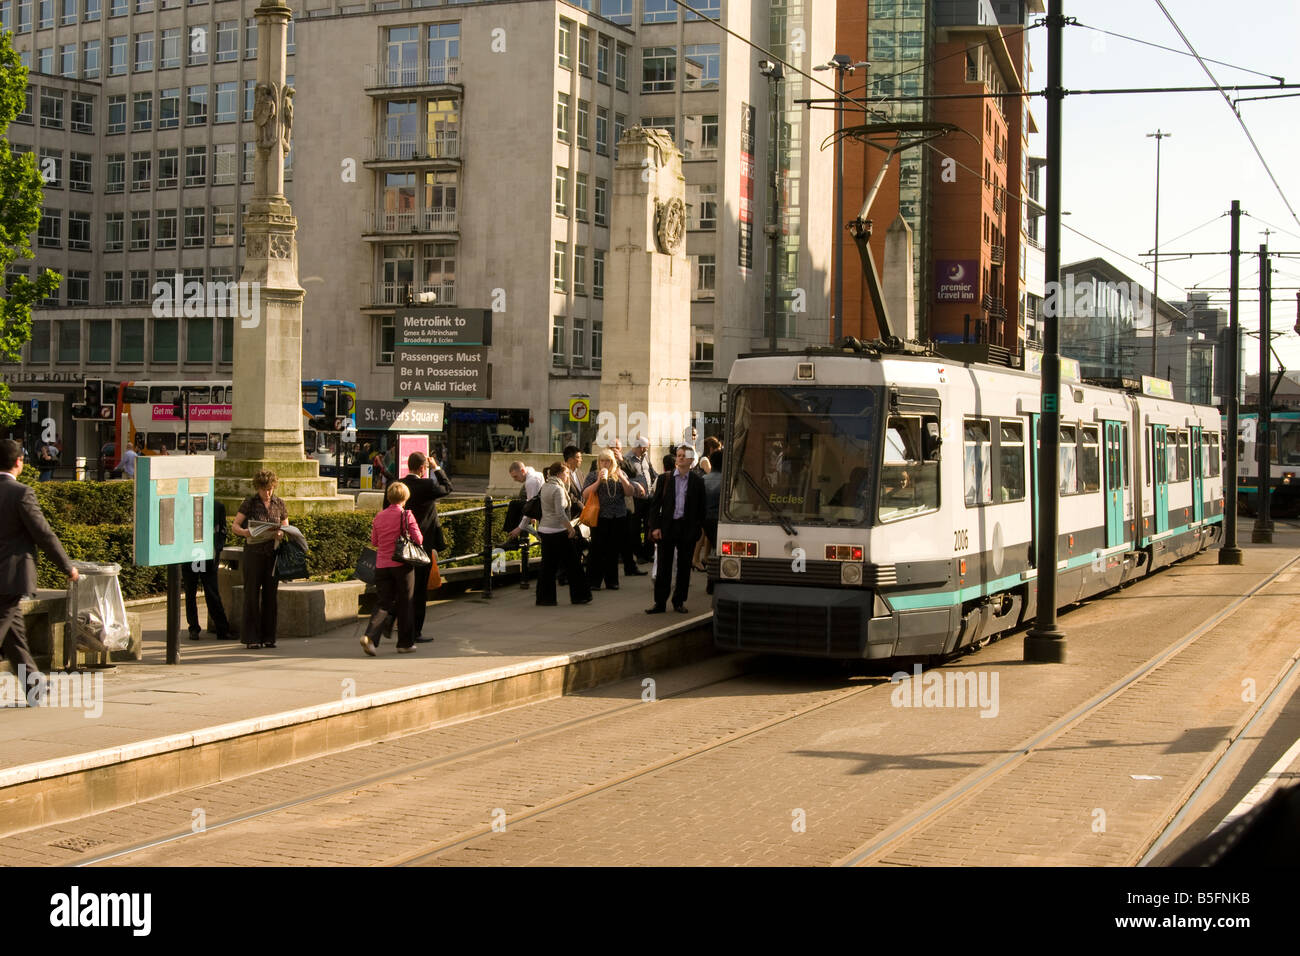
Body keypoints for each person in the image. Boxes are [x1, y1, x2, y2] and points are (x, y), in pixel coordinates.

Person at [0, 439, 79, 705]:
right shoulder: (21, 493)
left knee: (15, 636)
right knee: (5, 627)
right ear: (19, 462)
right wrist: (67, 567)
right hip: (11, 576)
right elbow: (44, 535)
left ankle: (34, 686)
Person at [361, 481, 423, 656]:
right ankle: (405, 643)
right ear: (405, 498)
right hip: (402, 564)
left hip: (381, 565)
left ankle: (370, 637)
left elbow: (374, 542)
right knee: (406, 603)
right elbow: (419, 539)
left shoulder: (379, 516)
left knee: (383, 602)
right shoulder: (406, 515)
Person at [231, 469, 289, 649]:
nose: (268, 493)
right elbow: (235, 526)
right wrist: (245, 532)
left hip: (272, 555)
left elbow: (287, 525)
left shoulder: (279, 503)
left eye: (270, 489)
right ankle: (252, 638)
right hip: (253, 554)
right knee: (251, 595)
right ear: (258, 488)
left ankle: (269, 637)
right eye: (264, 489)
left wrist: (281, 532)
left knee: (271, 596)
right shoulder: (249, 503)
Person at [646, 444, 706, 615]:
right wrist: (655, 527)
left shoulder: (697, 482)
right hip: (667, 527)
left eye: (683, 456)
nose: (680, 458)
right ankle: (659, 603)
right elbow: (655, 505)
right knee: (664, 566)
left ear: (691, 460)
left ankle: (679, 601)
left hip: (686, 528)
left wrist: (697, 528)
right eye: (678, 455)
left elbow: (702, 508)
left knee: (684, 566)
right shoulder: (665, 479)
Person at [401, 450, 453, 644]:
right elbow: (448, 487)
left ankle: (398, 623)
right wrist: (437, 468)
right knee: (420, 589)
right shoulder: (427, 485)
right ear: (423, 468)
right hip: (422, 545)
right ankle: (416, 631)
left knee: (404, 588)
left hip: (401, 545)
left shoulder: (397, 484)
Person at [581, 449, 641, 591]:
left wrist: (622, 478)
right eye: (602, 460)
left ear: (613, 462)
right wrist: (598, 481)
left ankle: (612, 581)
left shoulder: (620, 474)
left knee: (613, 550)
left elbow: (630, 492)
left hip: (618, 516)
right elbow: (585, 493)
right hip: (600, 517)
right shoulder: (593, 475)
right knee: (597, 549)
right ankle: (593, 581)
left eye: (608, 460)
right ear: (598, 462)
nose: (605, 463)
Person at [535, 462, 592, 607]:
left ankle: (545, 598)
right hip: (558, 531)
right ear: (560, 473)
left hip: (545, 530)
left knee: (547, 566)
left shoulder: (546, 486)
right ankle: (580, 596)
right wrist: (570, 529)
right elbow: (560, 513)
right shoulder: (558, 489)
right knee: (573, 565)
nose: (568, 476)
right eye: (566, 473)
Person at [182, 498, 233, 641]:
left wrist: (218, 547)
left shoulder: (217, 506)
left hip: (208, 554)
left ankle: (222, 629)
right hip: (191, 553)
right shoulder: (186, 504)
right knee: (190, 591)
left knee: (212, 592)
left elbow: (223, 528)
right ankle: (193, 628)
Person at [623, 437, 657, 564]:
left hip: (649, 497)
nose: (647, 449)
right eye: (646, 447)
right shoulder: (627, 459)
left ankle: (649, 553)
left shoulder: (646, 457)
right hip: (636, 498)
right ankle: (639, 555)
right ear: (640, 447)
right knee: (635, 527)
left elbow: (652, 473)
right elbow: (625, 479)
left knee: (650, 524)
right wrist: (636, 485)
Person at [695, 447, 724, 572]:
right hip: (718, 518)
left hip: (704, 517)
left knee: (704, 534)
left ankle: (702, 559)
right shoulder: (726, 480)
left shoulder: (703, 479)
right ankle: (705, 559)